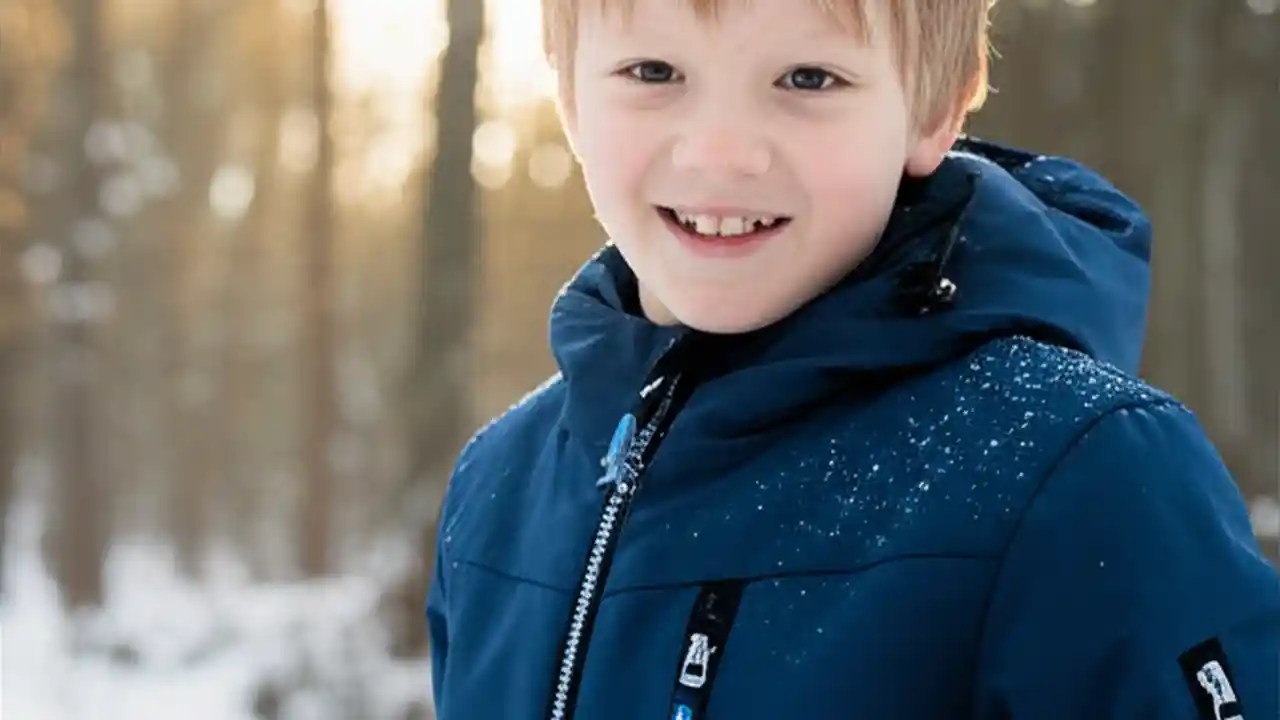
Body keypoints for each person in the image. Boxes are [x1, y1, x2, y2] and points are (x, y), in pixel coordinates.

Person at [426, 0, 1280, 717]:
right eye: (654, 72)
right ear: (570, 91)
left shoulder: (1081, 476)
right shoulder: (500, 487)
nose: (721, 152)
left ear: (935, 108)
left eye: (807, 79)